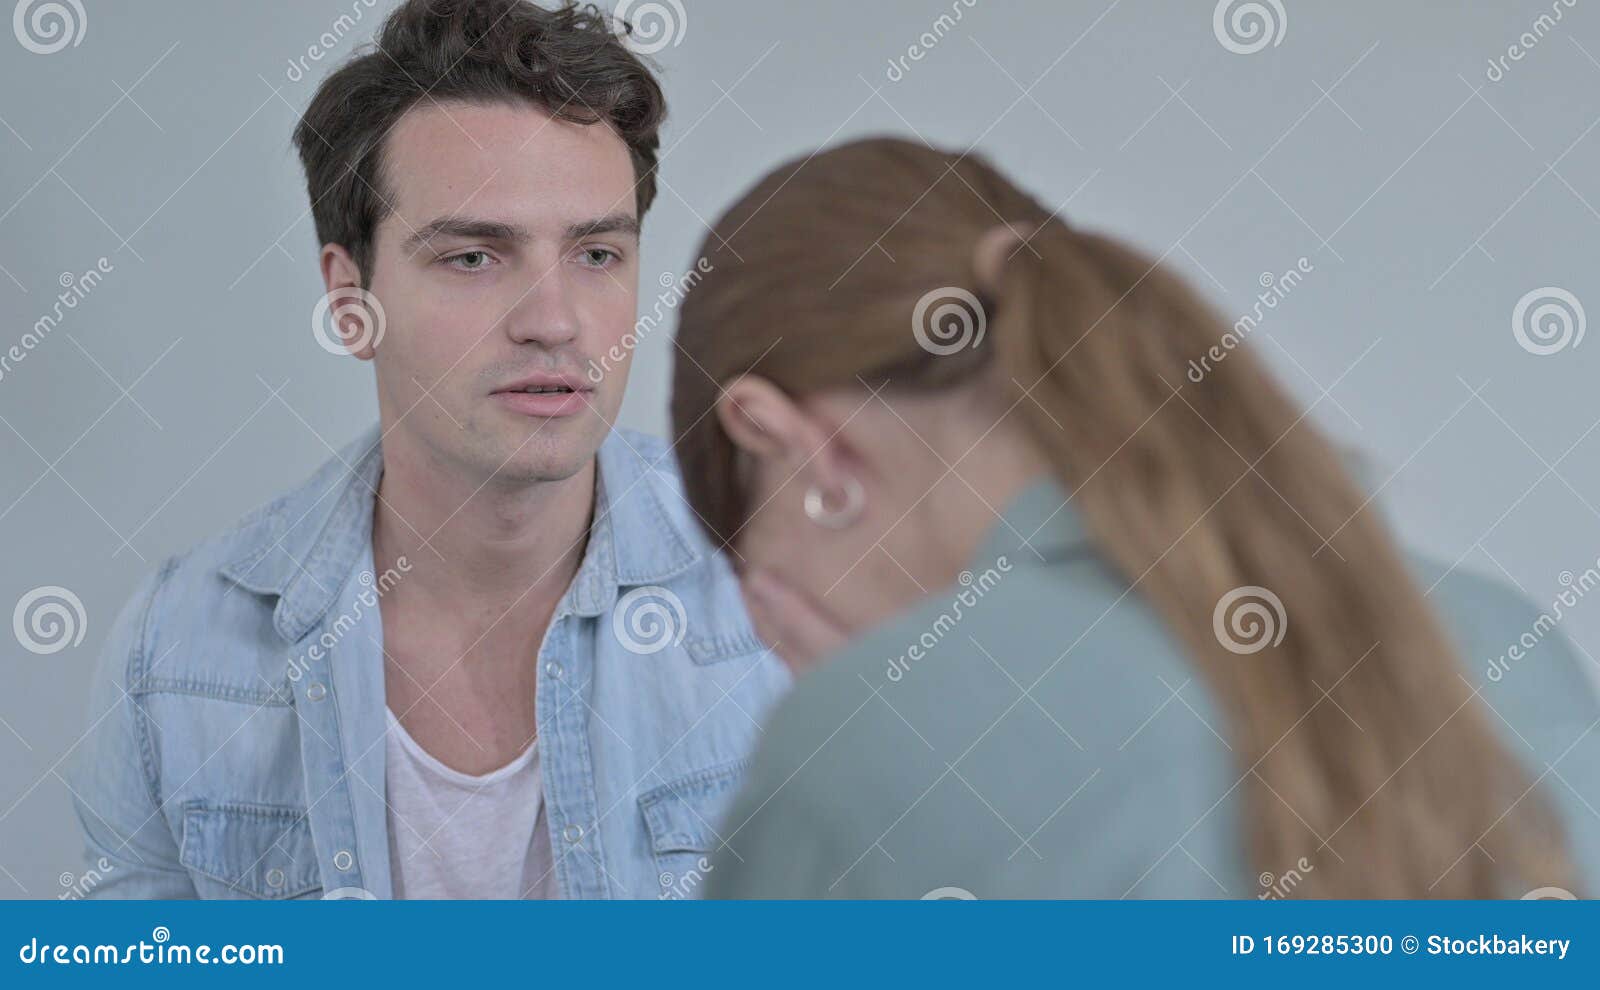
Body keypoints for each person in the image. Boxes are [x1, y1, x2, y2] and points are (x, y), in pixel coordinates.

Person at [669, 137, 1599, 898]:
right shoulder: (1503, 640)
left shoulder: (866, 744)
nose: (777, 632)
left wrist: (892, 722)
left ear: (800, 450)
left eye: (762, 579)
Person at [67, 0, 787, 900]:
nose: (555, 322)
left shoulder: (790, 598)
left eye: (598, 254)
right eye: (475, 259)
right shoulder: (176, 653)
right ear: (350, 297)